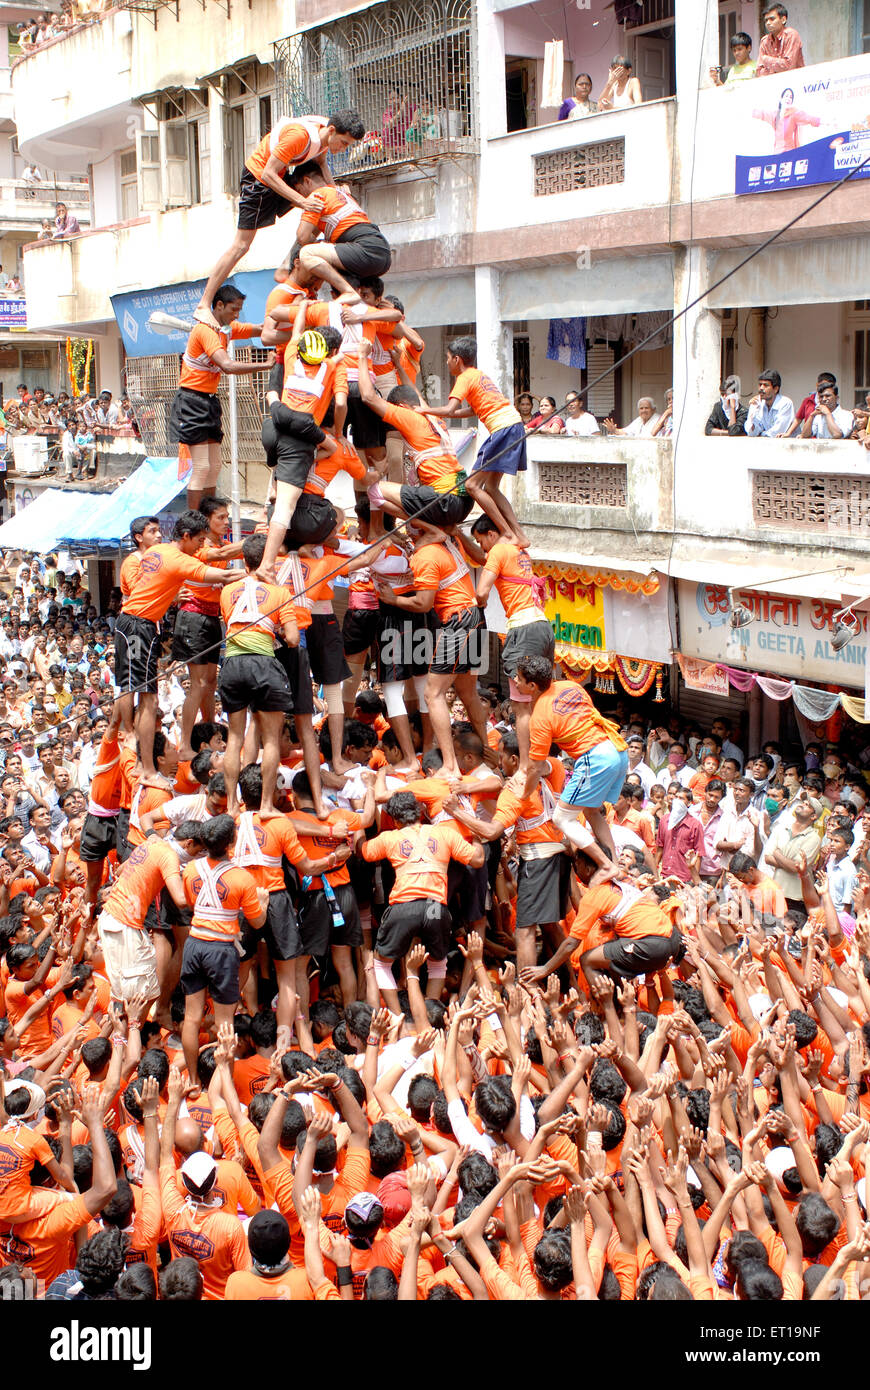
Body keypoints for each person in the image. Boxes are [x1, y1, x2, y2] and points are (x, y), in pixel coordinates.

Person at [194, 111, 365, 323]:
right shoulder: (300, 136)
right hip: (258, 179)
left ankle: (288, 263)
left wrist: (336, 193)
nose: (342, 149)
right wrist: (302, 202)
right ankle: (203, 303)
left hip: (280, 176)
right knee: (241, 245)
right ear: (331, 131)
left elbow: (321, 163)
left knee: (322, 205)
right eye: (343, 143)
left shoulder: (324, 137)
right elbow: (268, 173)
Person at [113, 510, 234, 778]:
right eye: (200, 539)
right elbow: (223, 577)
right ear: (187, 536)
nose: (203, 545)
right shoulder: (179, 560)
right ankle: (144, 766)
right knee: (146, 698)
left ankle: (134, 750)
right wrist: (253, 575)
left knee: (140, 692)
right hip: (137, 626)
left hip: (138, 624)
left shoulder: (161, 550)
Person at [218, 533, 299, 818]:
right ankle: (265, 805)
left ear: (244, 560)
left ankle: (231, 805)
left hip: (232, 664)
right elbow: (292, 638)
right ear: (269, 561)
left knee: (235, 737)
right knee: (272, 739)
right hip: (264, 664)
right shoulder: (280, 593)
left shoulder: (227, 591)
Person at [422, 335, 529, 548]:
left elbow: (449, 408)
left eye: (448, 358)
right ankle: (519, 536)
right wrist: (441, 415)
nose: (446, 362)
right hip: (513, 425)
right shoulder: (478, 376)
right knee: (490, 487)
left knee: (471, 485)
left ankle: (508, 534)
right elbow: (473, 410)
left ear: (457, 360)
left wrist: (424, 410)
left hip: (503, 428)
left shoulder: (464, 378)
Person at [168, 283, 269, 511]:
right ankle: (195, 519)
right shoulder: (206, 330)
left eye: (239, 311)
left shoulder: (227, 329)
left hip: (210, 400)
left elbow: (260, 329)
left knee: (214, 467)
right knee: (202, 467)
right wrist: (265, 364)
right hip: (192, 400)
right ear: (219, 305)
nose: (236, 315)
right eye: (233, 310)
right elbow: (227, 365)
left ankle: (209, 516)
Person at [289, 161, 392, 297]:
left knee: (307, 254)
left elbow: (302, 237)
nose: (299, 199)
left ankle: (349, 293)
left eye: (298, 191)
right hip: (381, 253)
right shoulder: (340, 193)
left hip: (366, 250)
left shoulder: (317, 196)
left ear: (307, 182)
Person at [752, 87, 819, 154]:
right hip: (777, 152)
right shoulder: (775, 115)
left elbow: (808, 118)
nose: (788, 99)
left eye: (790, 97)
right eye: (786, 96)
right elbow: (762, 114)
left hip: (789, 152)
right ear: (781, 99)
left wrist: (821, 121)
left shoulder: (794, 114)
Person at [755, 4, 804, 78]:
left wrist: (766, 59)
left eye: (772, 19)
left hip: (794, 82)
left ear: (783, 20)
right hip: (773, 84)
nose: (768, 23)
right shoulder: (765, 41)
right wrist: (778, 67)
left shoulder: (791, 35)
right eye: (766, 20)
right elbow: (759, 71)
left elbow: (788, 66)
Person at [746, 369, 795, 438]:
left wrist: (760, 434)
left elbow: (777, 431)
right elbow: (751, 432)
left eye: (766, 385)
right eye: (760, 385)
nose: (761, 388)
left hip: (788, 446)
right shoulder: (758, 404)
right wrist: (753, 411)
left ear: (776, 389)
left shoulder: (785, 403)